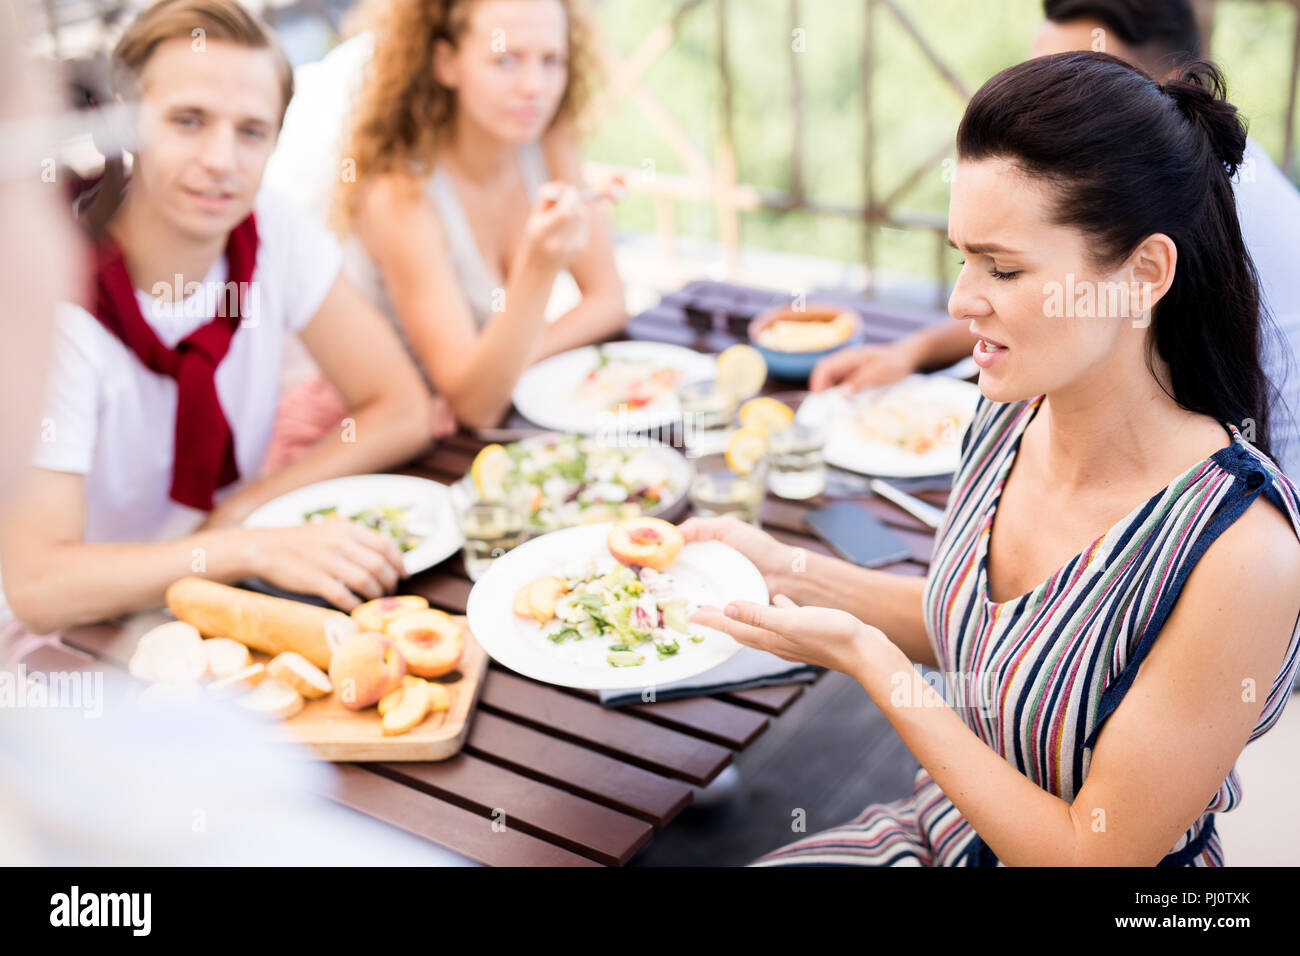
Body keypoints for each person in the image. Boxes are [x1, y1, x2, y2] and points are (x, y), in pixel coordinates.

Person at [685, 52, 1300, 866]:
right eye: (961, 257)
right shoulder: (1011, 411)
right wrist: (783, 570)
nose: (959, 300)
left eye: (1003, 268)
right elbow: (988, 636)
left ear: (1142, 275)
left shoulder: (1239, 553)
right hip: (937, 835)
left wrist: (873, 666)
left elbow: (1091, 855)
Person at [0, 0, 457, 637]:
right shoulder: (53, 293)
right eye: (188, 121)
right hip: (75, 636)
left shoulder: (268, 226)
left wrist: (244, 510)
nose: (222, 160)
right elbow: (39, 585)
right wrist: (247, 544)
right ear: (126, 124)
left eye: (251, 131)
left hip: (215, 596)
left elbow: (399, 405)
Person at [810, 0, 1300, 479]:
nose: (1049, 102)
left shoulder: (1208, 206)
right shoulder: (1013, 414)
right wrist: (912, 353)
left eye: (1082, 74)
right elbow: (1048, 294)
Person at [265, 0, 627, 439]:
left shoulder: (544, 136)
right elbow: (476, 407)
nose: (535, 86)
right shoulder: (400, 194)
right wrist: (539, 266)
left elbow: (608, 302)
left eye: (551, 60)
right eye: (506, 59)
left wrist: (506, 364)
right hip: (384, 435)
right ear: (446, 62)